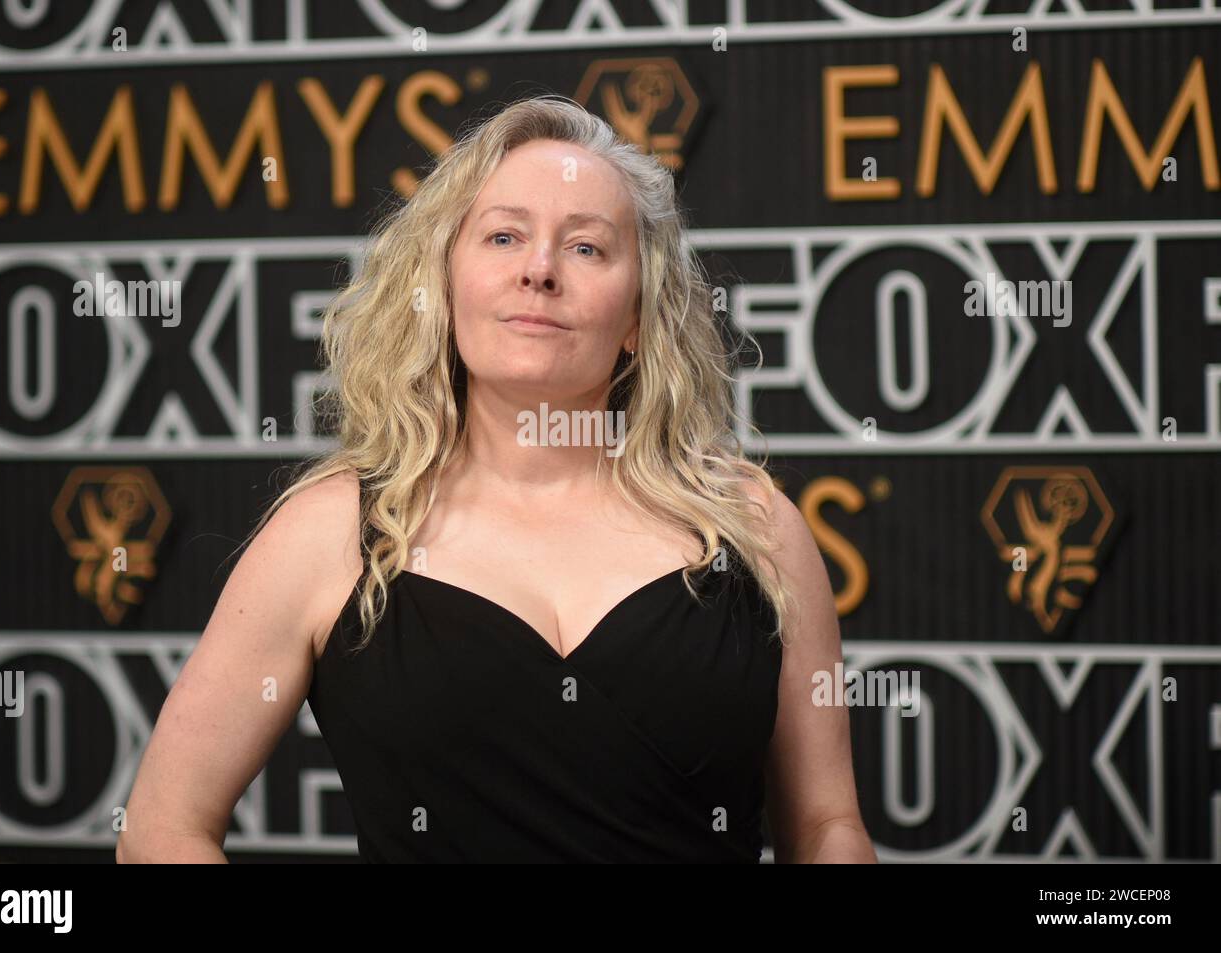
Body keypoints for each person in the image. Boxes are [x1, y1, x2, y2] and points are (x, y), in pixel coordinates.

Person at [116, 94, 876, 864]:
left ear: (641, 318)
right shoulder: (332, 530)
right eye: (504, 236)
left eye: (586, 248)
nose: (538, 270)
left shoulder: (751, 526)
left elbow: (826, 827)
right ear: (442, 290)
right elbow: (161, 829)